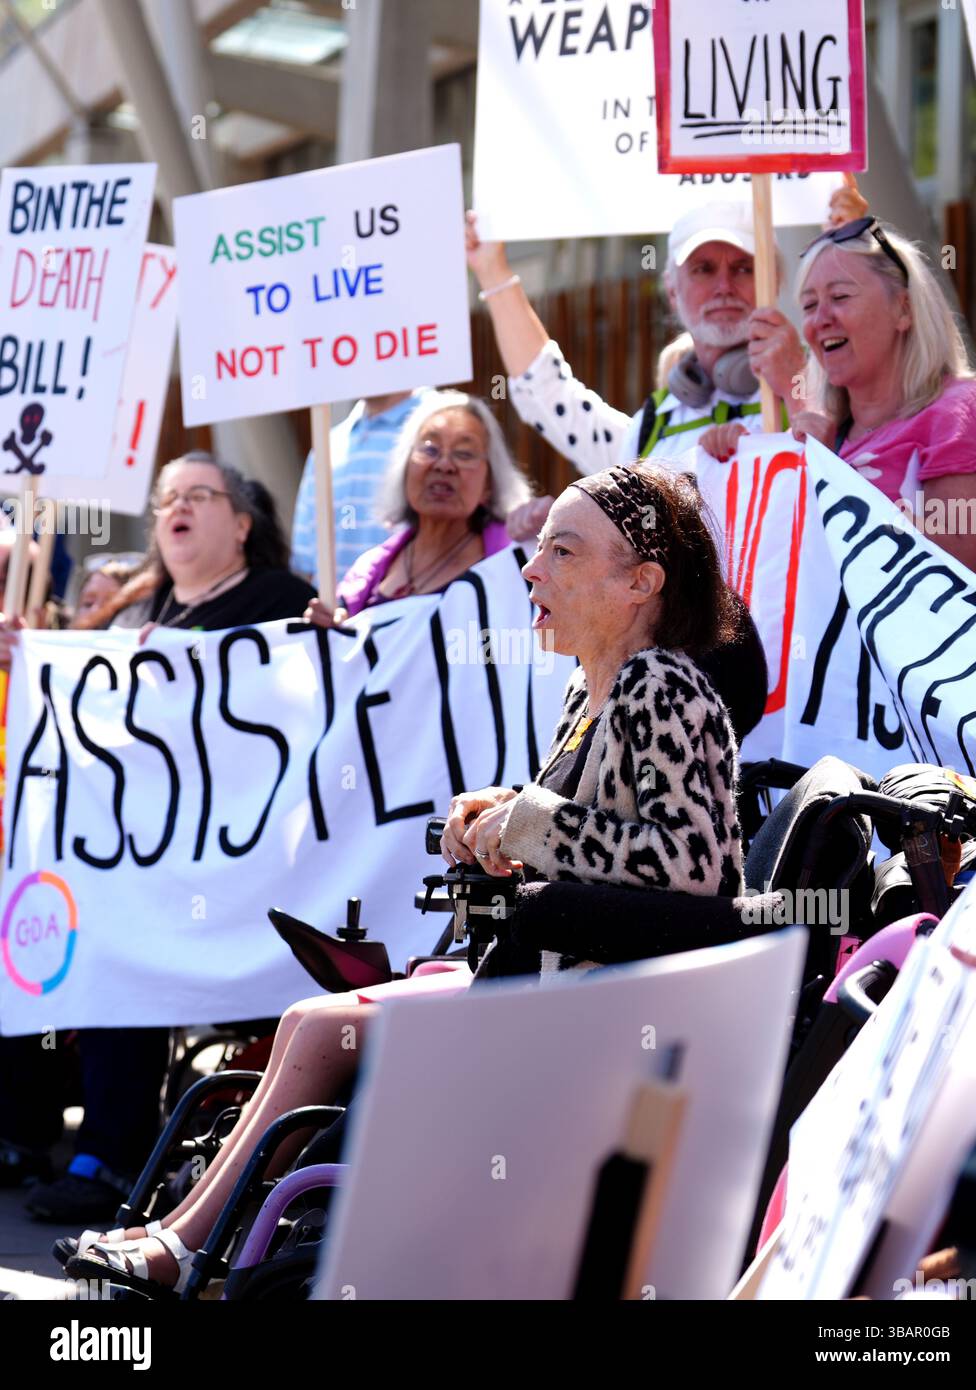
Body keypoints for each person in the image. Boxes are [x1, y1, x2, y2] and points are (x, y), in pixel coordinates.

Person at [64, 464, 743, 1294]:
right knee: (312, 1021)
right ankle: (179, 1237)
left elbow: (694, 867)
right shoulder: (588, 689)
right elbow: (591, 832)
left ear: (641, 582)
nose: (532, 570)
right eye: (538, 550)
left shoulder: (663, 688)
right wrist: (503, 817)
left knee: (318, 1031)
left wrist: (526, 823)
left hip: (605, 1008)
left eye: (563, 553)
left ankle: (181, 1250)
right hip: (555, 978)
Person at [0, 454, 316, 1226]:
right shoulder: (132, 616)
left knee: (121, 922)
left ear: (242, 525)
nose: (177, 507)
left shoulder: (283, 600)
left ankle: (112, 1153)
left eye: (199, 496)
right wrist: (32, 658)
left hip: (245, 861)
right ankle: (24, 1131)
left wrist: (330, 640)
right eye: (167, 497)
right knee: (51, 918)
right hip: (146, 856)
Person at [707, 216, 976, 585]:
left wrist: (821, 454)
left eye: (840, 297)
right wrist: (736, 467)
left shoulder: (968, 409)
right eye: (810, 306)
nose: (820, 319)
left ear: (904, 309)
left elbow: (954, 574)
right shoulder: (830, 434)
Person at [305, 390, 532, 625]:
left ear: (489, 484)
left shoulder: (517, 566)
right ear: (404, 470)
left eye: (464, 454)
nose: (444, 465)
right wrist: (332, 628)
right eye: (429, 449)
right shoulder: (367, 572)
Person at [291, 389, 429, 585]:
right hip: (336, 613)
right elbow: (307, 562)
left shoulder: (436, 438)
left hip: (409, 609)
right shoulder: (328, 445)